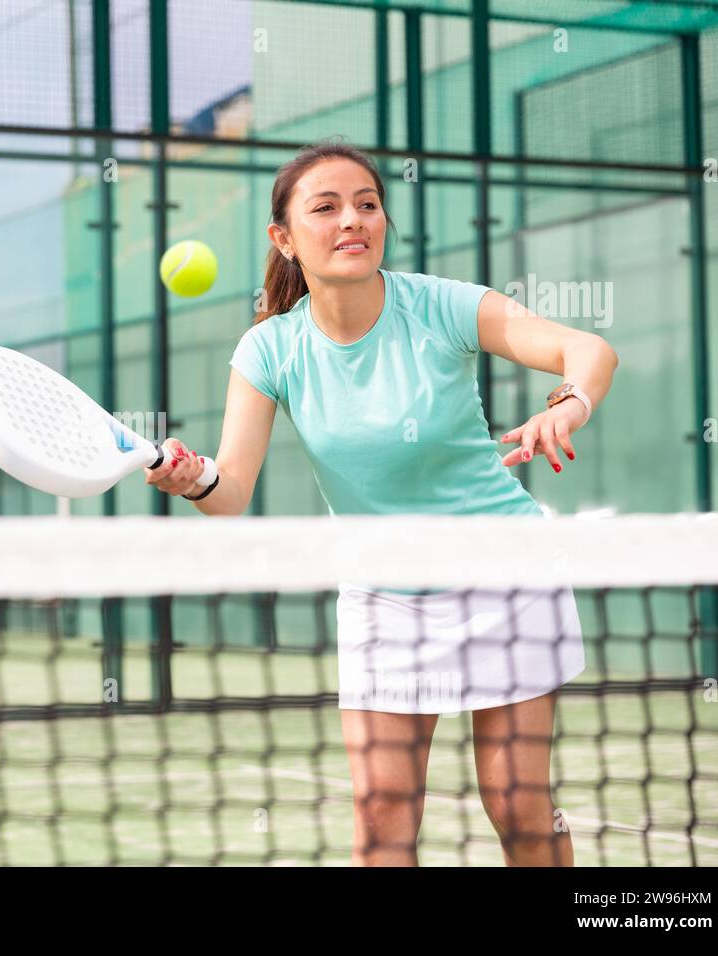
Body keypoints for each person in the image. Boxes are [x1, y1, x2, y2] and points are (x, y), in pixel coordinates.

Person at [147, 141, 618, 866]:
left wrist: (572, 401)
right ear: (284, 237)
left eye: (367, 204)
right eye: (326, 208)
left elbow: (584, 347)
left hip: (508, 575)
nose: (352, 221)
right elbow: (229, 489)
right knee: (381, 826)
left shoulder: (444, 305)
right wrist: (194, 479)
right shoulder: (269, 350)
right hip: (384, 596)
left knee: (518, 806)